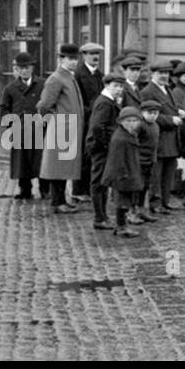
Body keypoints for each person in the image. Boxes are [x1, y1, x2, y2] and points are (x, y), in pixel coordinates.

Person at [36, 43, 85, 214]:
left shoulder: (69, 77)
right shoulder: (56, 78)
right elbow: (44, 104)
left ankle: (62, 199)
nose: (73, 62)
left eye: (75, 59)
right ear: (61, 59)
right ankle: (57, 202)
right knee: (58, 166)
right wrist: (56, 119)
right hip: (61, 128)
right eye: (70, 59)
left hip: (70, 128)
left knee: (65, 166)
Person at [0, 52, 44, 200]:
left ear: (32, 68)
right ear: (17, 70)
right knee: (22, 161)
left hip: (39, 128)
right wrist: (11, 124)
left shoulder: (42, 84)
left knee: (41, 159)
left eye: (27, 67)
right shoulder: (10, 88)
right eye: (21, 68)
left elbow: (49, 104)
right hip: (20, 129)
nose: (24, 70)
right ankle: (25, 189)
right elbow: (4, 108)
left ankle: (45, 189)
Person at [144, 60, 184, 213]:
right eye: (160, 73)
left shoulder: (167, 89)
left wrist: (178, 111)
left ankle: (165, 201)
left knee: (169, 173)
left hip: (171, 139)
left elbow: (168, 108)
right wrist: (171, 120)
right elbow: (150, 115)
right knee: (157, 174)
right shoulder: (148, 91)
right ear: (153, 74)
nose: (164, 76)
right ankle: (155, 203)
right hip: (159, 138)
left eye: (166, 73)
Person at [85, 72, 124, 229]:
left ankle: (102, 216)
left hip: (102, 146)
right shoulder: (105, 103)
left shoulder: (109, 101)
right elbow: (97, 127)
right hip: (100, 148)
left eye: (121, 86)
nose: (119, 89)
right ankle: (99, 218)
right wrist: (106, 145)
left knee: (102, 182)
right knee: (98, 183)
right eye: (116, 86)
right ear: (107, 85)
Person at [102, 107, 146, 238]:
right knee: (122, 202)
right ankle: (121, 227)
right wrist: (123, 175)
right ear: (121, 122)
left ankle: (121, 225)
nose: (132, 123)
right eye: (129, 121)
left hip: (128, 172)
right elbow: (117, 159)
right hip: (122, 175)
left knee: (125, 201)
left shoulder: (128, 134)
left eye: (135, 120)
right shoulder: (121, 138)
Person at [73, 42, 105, 201]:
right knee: (83, 156)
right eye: (91, 54)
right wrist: (89, 111)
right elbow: (77, 100)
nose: (95, 57)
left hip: (97, 120)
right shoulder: (78, 74)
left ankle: (90, 189)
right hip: (84, 120)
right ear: (84, 55)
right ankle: (79, 191)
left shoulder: (99, 74)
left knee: (93, 155)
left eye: (97, 54)